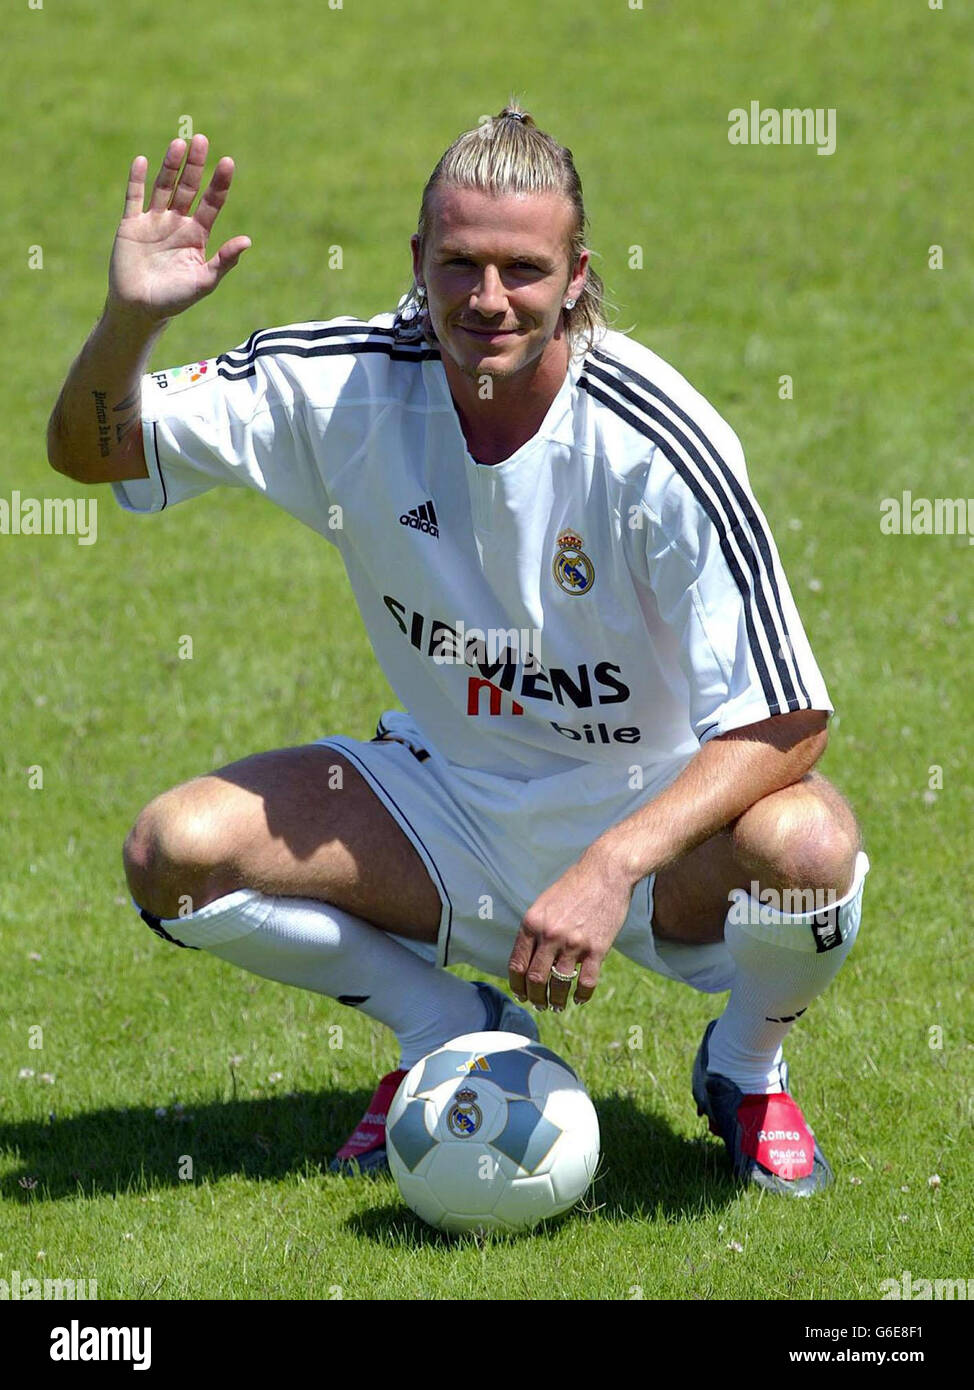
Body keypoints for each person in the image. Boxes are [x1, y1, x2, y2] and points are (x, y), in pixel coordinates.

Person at [48, 104, 868, 1196]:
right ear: (416, 264)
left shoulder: (655, 443)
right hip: (443, 801)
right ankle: (444, 1020)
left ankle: (744, 1065)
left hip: (653, 824)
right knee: (173, 852)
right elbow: (91, 455)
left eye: (521, 269)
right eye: (459, 264)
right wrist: (126, 324)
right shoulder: (338, 384)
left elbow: (788, 722)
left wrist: (608, 861)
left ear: (576, 273)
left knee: (808, 848)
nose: (487, 299)